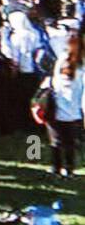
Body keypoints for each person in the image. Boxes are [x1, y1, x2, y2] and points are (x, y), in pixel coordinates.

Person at [38, 33, 83, 177]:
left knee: (56, 142)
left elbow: (52, 82)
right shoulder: (81, 68)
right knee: (70, 143)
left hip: (55, 110)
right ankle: (69, 170)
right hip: (73, 113)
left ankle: (56, 168)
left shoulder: (61, 61)